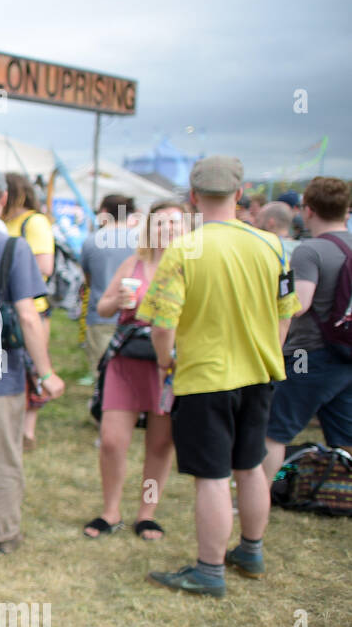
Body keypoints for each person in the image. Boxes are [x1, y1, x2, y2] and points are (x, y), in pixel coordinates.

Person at [139, 157, 298, 597]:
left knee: (211, 476)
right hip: (260, 372)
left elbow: (163, 324)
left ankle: (209, 571)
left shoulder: (184, 249)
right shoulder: (273, 245)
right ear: (241, 192)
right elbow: (286, 314)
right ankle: (251, 550)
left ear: (192, 196)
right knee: (249, 467)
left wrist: (166, 362)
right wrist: (270, 353)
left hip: (205, 377)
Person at [0, 167, 63, 554]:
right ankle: (4, 535)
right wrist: (47, 372)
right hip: (0, 372)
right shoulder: (14, 247)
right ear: (3, 198)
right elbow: (27, 314)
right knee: (1, 456)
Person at [85, 201, 186, 541]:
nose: (167, 230)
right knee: (112, 441)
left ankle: (147, 514)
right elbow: (101, 306)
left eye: (174, 224)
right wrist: (118, 302)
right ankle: (110, 511)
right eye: (160, 224)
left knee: (160, 445)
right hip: (126, 361)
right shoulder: (135, 263)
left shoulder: (192, 267)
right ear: (149, 229)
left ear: (187, 229)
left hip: (168, 366)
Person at [263, 176, 352, 480]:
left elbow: (299, 303)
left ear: (307, 210)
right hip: (347, 350)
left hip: (309, 352)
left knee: (276, 429)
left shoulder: (310, 250)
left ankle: (258, 495)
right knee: (344, 432)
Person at [3, 171, 56, 450]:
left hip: (31, 309)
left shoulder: (34, 222)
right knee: (7, 369)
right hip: (5, 310)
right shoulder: (4, 222)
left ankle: (28, 432)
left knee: (32, 367)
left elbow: (45, 266)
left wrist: (10, 274)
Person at [80, 194, 139, 380]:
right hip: (135, 315)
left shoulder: (92, 240)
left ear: (104, 212)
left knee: (102, 373)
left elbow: (88, 279)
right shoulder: (141, 240)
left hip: (100, 315)